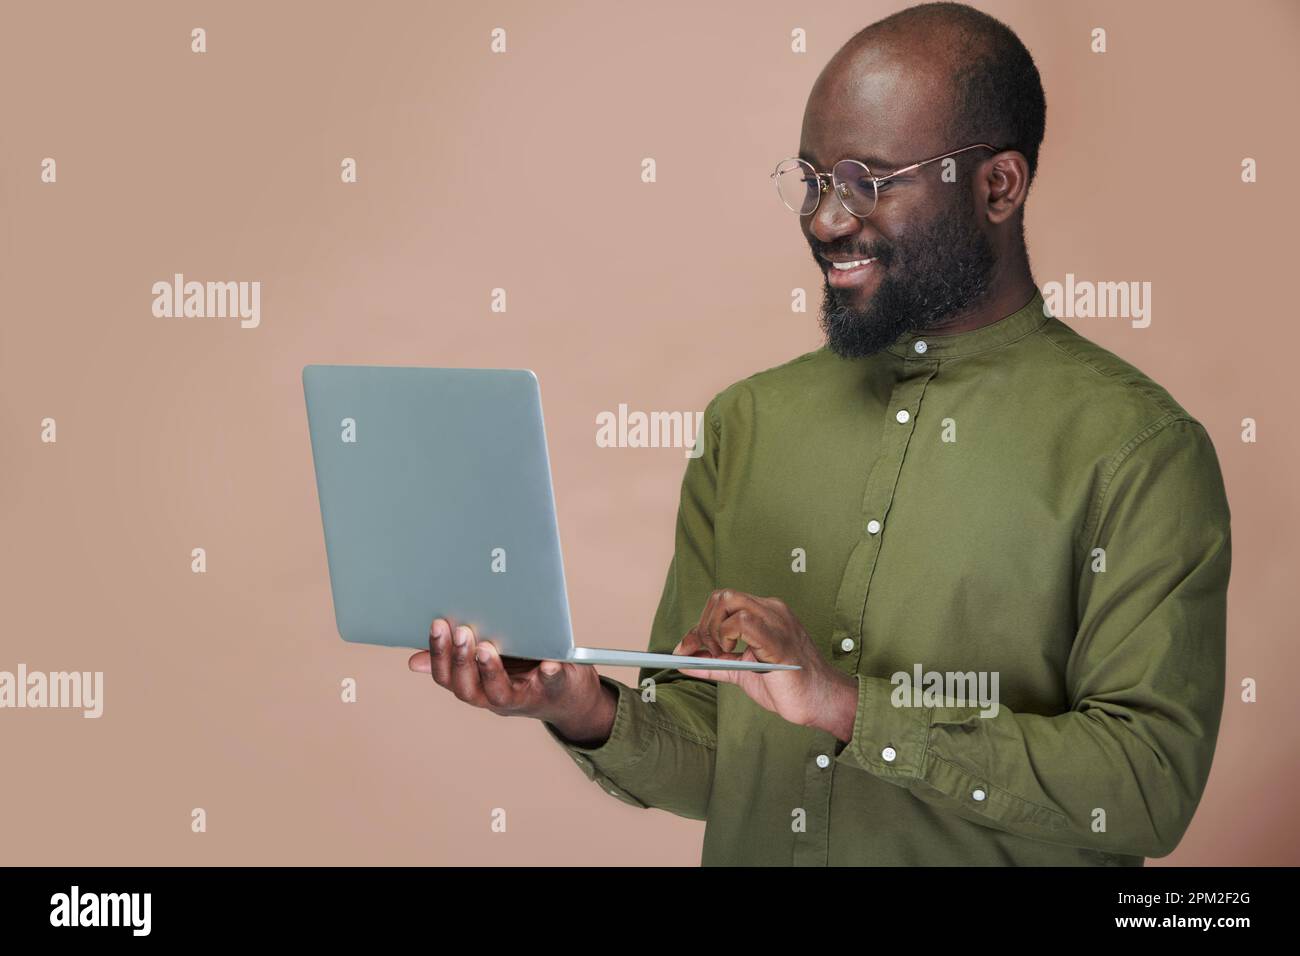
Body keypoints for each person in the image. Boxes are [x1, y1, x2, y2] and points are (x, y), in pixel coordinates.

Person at [408, 1, 1231, 866]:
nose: (825, 219)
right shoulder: (748, 424)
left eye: (867, 182)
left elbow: (1146, 788)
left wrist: (844, 706)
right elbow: (726, 759)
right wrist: (580, 707)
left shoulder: (1138, 450)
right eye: (811, 180)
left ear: (998, 186)